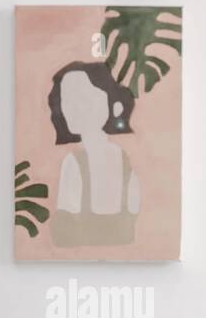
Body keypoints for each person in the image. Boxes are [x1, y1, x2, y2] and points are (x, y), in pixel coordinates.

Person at [46, 62, 141, 247]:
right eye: (67, 99)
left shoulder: (73, 162)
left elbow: (66, 215)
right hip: (122, 247)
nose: (74, 107)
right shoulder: (122, 157)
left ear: (113, 104)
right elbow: (133, 206)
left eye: (83, 97)